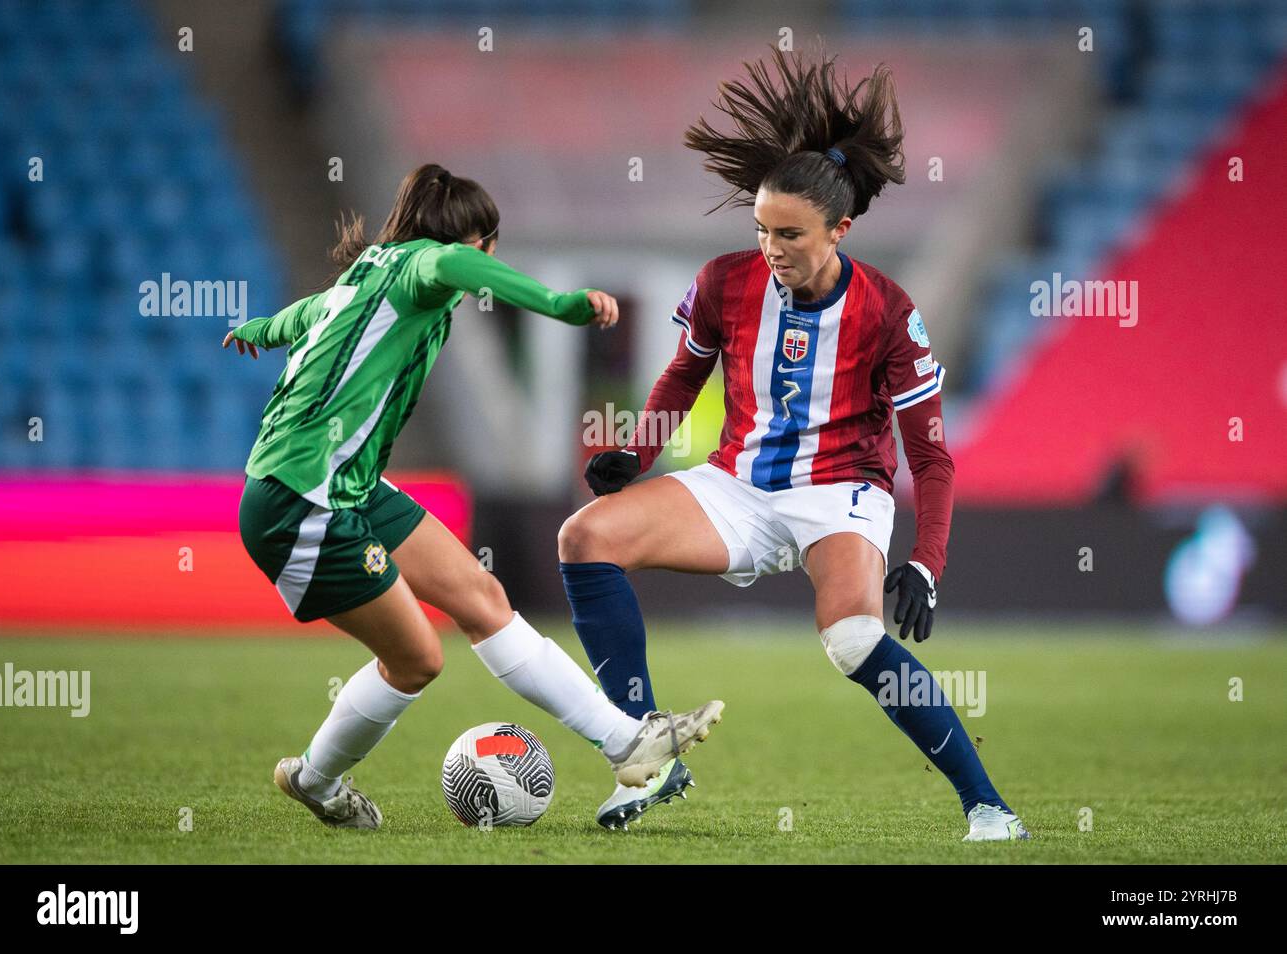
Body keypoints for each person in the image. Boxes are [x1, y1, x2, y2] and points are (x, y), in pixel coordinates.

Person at [556, 48, 1028, 840]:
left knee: (850, 637)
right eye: (762, 230)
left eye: (792, 234)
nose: (772, 249)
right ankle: (646, 749)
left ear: (840, 229)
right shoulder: (724, 282)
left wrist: (926, 564)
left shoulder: (888, 311)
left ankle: (987, 806)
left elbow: (933, 456)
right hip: (735, 484)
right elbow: (683, 376)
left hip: (840, 490)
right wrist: (635, 455)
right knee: (584, 537)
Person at [223, 164, 723, 829]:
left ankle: (628, 745)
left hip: (351, 486)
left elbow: (299, 317)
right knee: (415, 660)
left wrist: (257, 330)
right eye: (488, 246)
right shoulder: (425, 265)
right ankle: (316, 780)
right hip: (300, 501)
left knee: (484, 601)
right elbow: (457, 264)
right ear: (476, 242)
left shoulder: (361, 279)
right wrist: (563, 305)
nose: (482, 262)